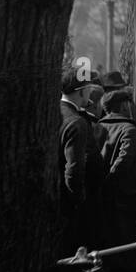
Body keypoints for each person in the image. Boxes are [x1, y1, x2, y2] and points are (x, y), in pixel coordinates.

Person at [98, 88, 136, 272]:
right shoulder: (129, 130)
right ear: (124, 106)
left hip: (100, 200)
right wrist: (112, 181)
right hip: (123, 200)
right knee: (123, 252)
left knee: (105, 252)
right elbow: (124, 161)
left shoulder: (96, 126)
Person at [58, 67, 102, 254]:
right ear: (80, 91)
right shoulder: (76, 122)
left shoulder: (55, 113)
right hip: (72, 208)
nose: (91, 93)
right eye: (89, 88)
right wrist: (78, 202)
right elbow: (74, 171)